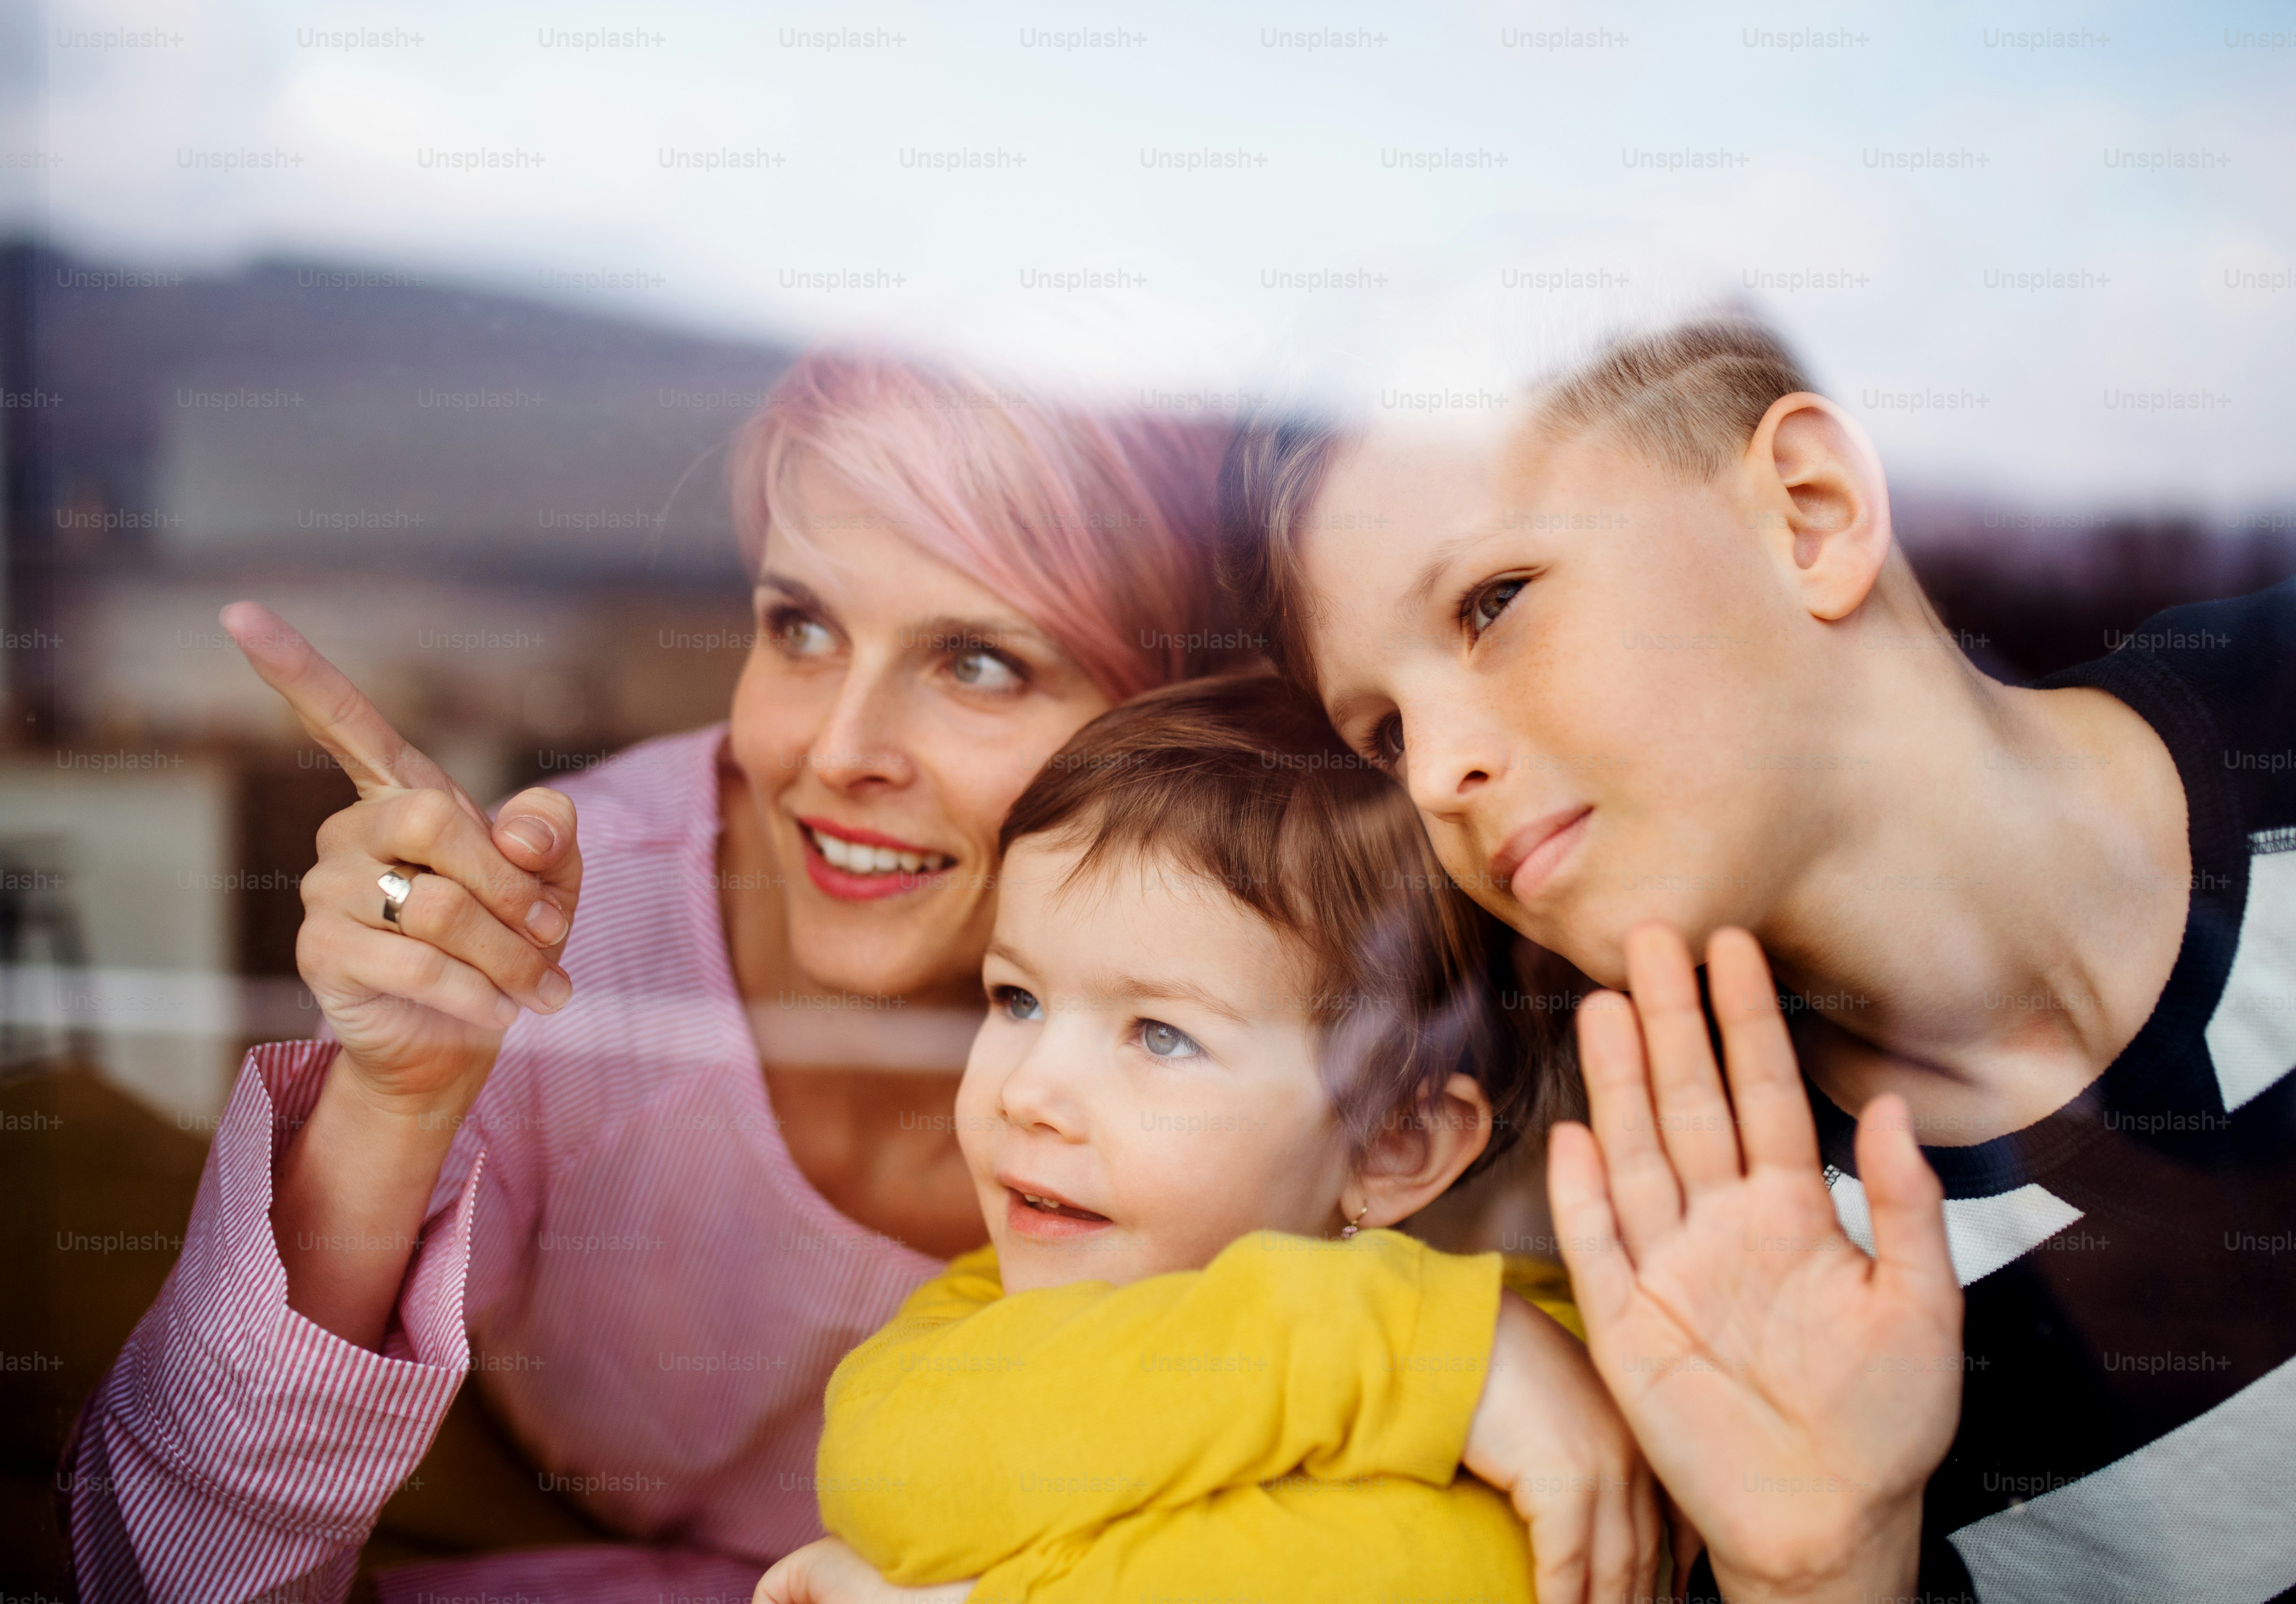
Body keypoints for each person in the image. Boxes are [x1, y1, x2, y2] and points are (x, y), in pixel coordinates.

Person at [64, 349, 1255, 1603]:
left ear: (1179, 722)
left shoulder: (1277, 1003)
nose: (833, 751)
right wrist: (390, 1104)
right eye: (800, 629)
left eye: (978, 663)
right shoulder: (559, 927)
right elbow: (157, 1574)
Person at [1222, 313, 2296, 1601]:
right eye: (1385, 735)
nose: (1438, 774)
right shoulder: (1716, 1266)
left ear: (1808, 511)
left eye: (1492, 604)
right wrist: (1818, 1570)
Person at [764, 673, 1658, 1604]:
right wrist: (1390, 1346)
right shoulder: (1004, 1297)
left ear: (1391, 1144)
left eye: (1159, 1033)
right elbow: (890, 1471)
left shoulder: (1549, 1361)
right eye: (1016, 998)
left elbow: (1397, 1576)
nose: (1028, 1091)